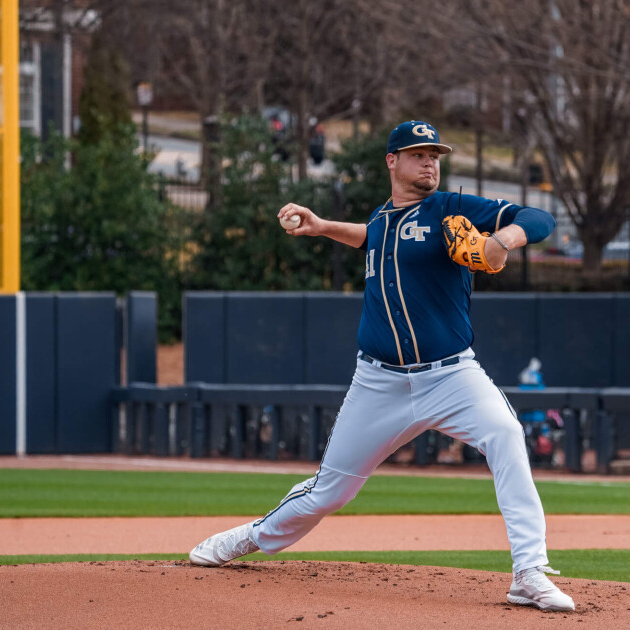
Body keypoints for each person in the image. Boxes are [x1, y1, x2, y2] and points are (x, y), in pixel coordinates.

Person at [187, 120, 575, 612]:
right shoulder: (382, 220)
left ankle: (529, 572)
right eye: (418, 154)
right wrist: (324, 226)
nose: (430, 161)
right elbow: (373, 237)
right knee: (329, 492)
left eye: (435, 154)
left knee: (506, 434)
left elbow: (539, 217)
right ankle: (251, 537)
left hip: (452, 375)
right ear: (392, 161)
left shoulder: (450, 209)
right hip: (379, 382)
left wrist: (505, 240)